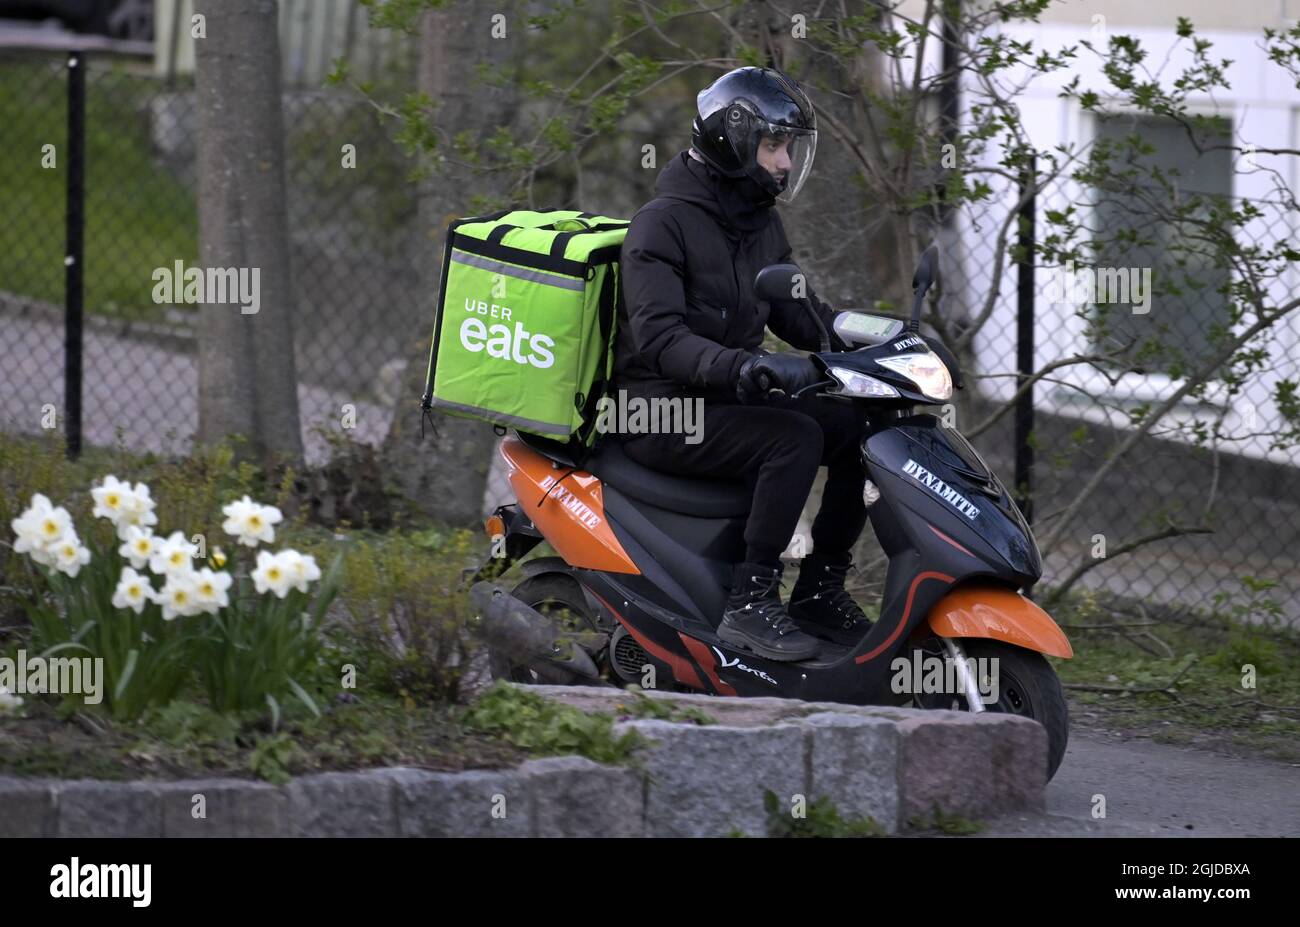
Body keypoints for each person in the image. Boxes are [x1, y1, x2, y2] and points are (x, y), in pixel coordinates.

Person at [612, 66, 873, 662]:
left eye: (786, 148)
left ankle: (819, 589)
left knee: (856, 424)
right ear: (734, 141)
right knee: (792, 438)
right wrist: (743, 368)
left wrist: (884, 341)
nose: (783, 162)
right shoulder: (662, 224)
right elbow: (660, 339)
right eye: (774, 146)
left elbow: (799, 312)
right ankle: (749, 602)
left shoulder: (757, 219)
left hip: (721, 397)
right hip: (655, 409)